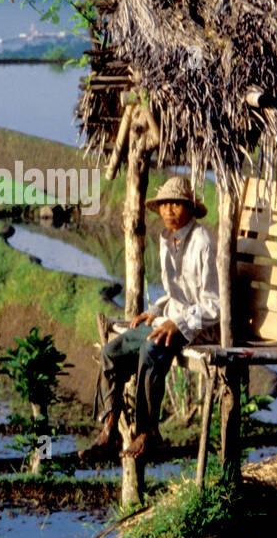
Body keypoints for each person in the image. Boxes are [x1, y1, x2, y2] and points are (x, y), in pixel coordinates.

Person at [84, 175, 219, 462]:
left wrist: (178, 323)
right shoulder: (168, 239)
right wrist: (157, 310)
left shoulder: (203, 242)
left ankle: (148, 432)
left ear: (191, 208)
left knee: (151, 349)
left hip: (198, 326)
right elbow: (175, 293)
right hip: (170, 318)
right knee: (112, 351)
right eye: (164, 204)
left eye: (177, 204)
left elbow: (213, 304)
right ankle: (109, 428)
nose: (169, 210)